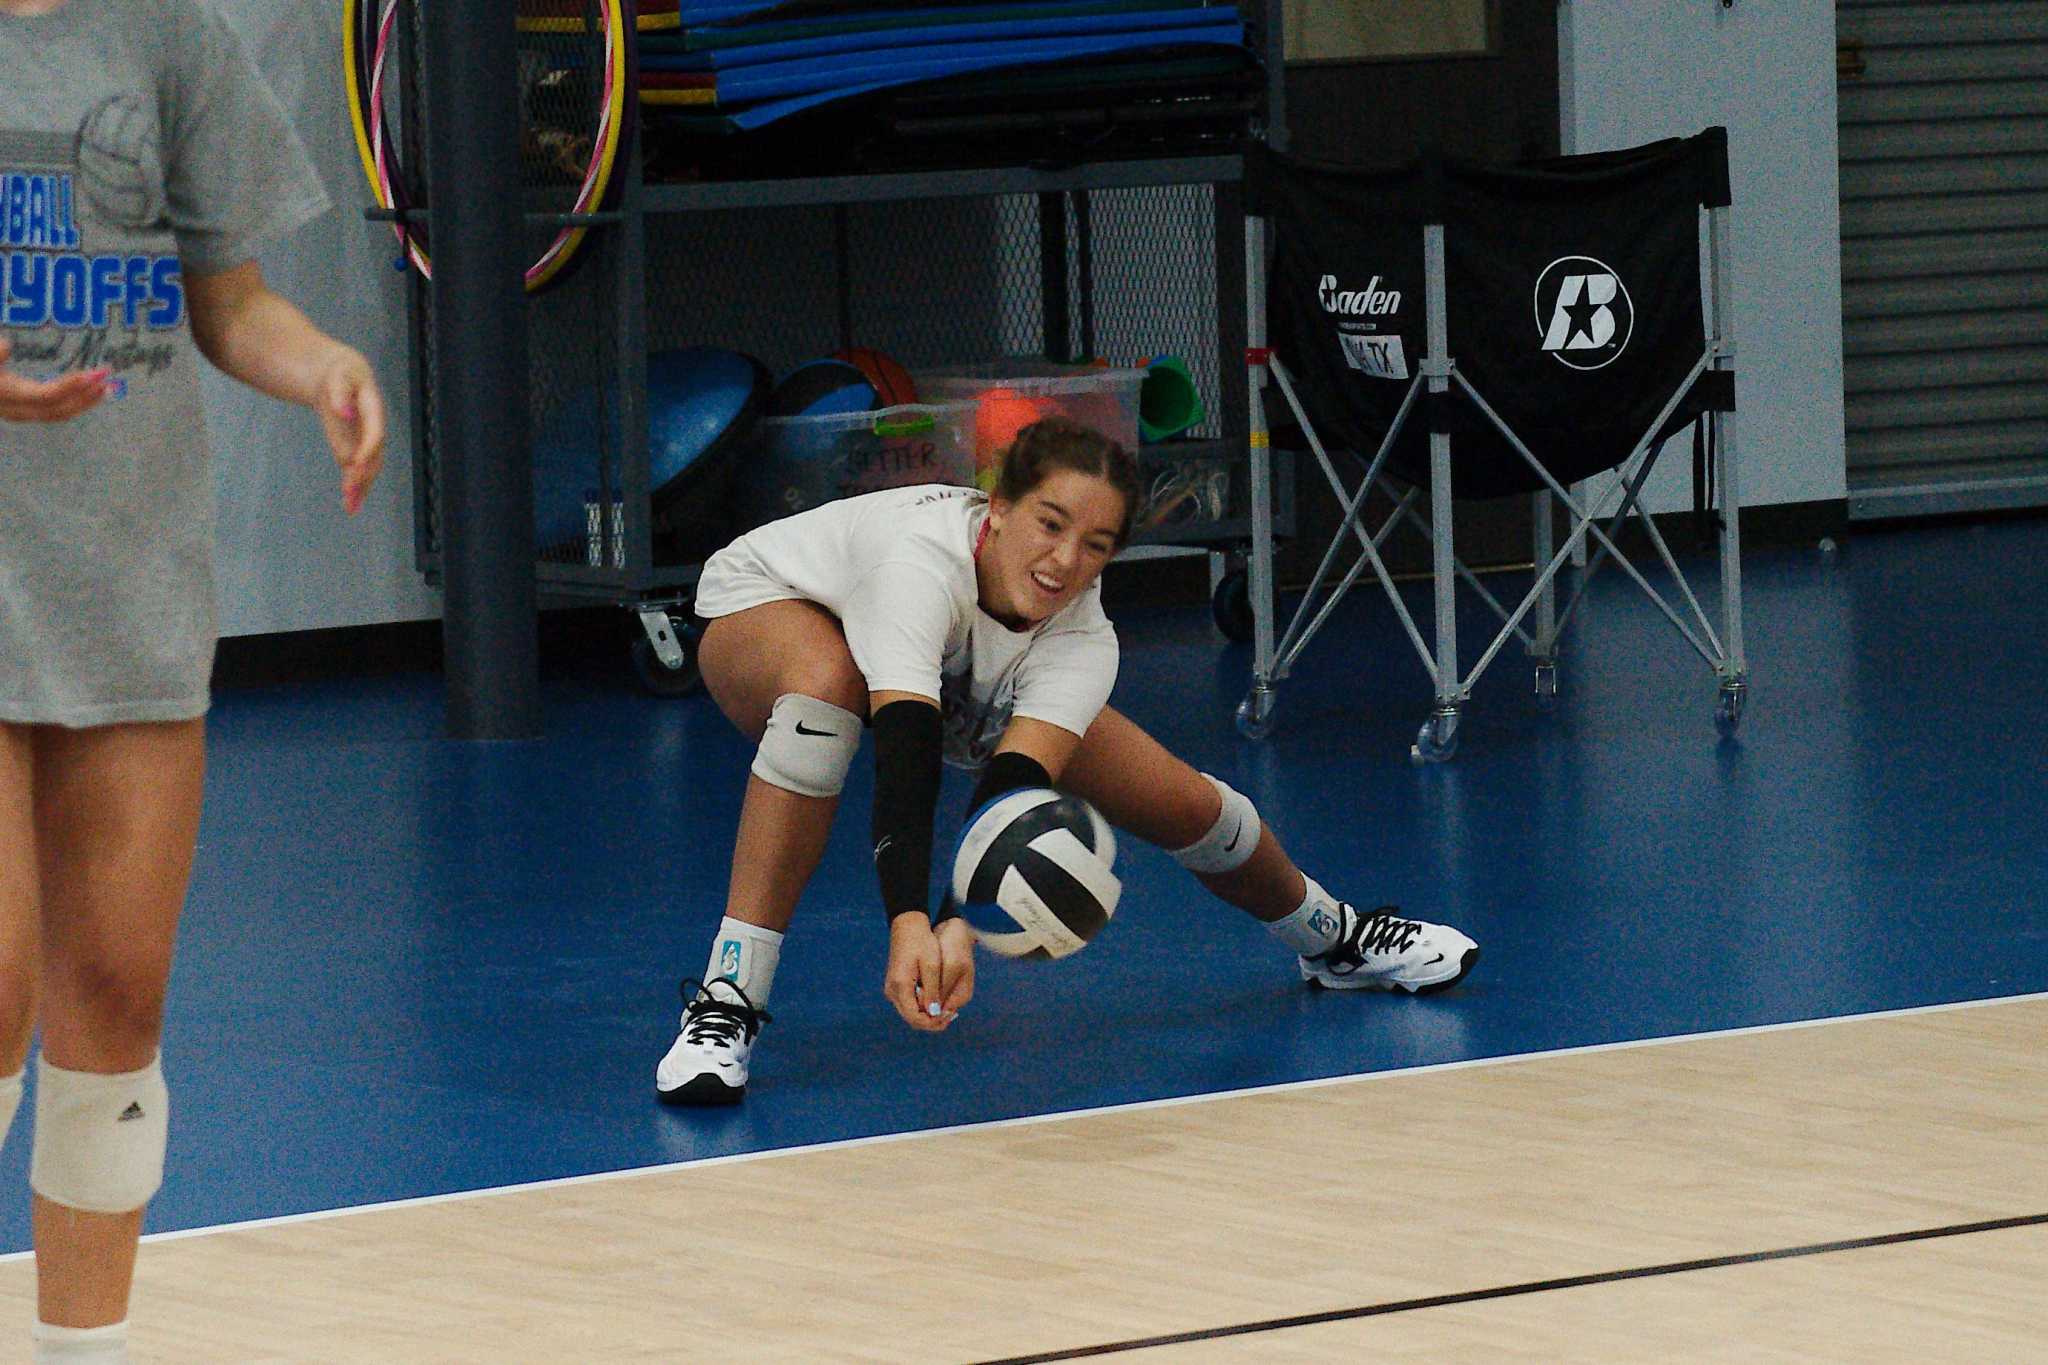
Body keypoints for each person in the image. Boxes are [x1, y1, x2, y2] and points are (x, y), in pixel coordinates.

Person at [655, 417, 1477, 1105]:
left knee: (1189, 806)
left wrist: (957, 922)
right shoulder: (917, 565)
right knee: (825, 694)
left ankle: (1332, 937)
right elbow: (906, 754)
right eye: (1049, 523)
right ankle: (731, 993)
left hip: (964, 666)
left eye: (1096, 543)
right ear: (999, 507)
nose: (1064, 560)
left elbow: (1010, 788)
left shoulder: (1082, 636)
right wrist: (911, 919)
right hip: (774, 609)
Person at [1, 3, 386, 1359]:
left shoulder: (166, 30)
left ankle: (80, 1349)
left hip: (130, 572)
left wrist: (326, 364)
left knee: (113, 989)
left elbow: (230, 301)